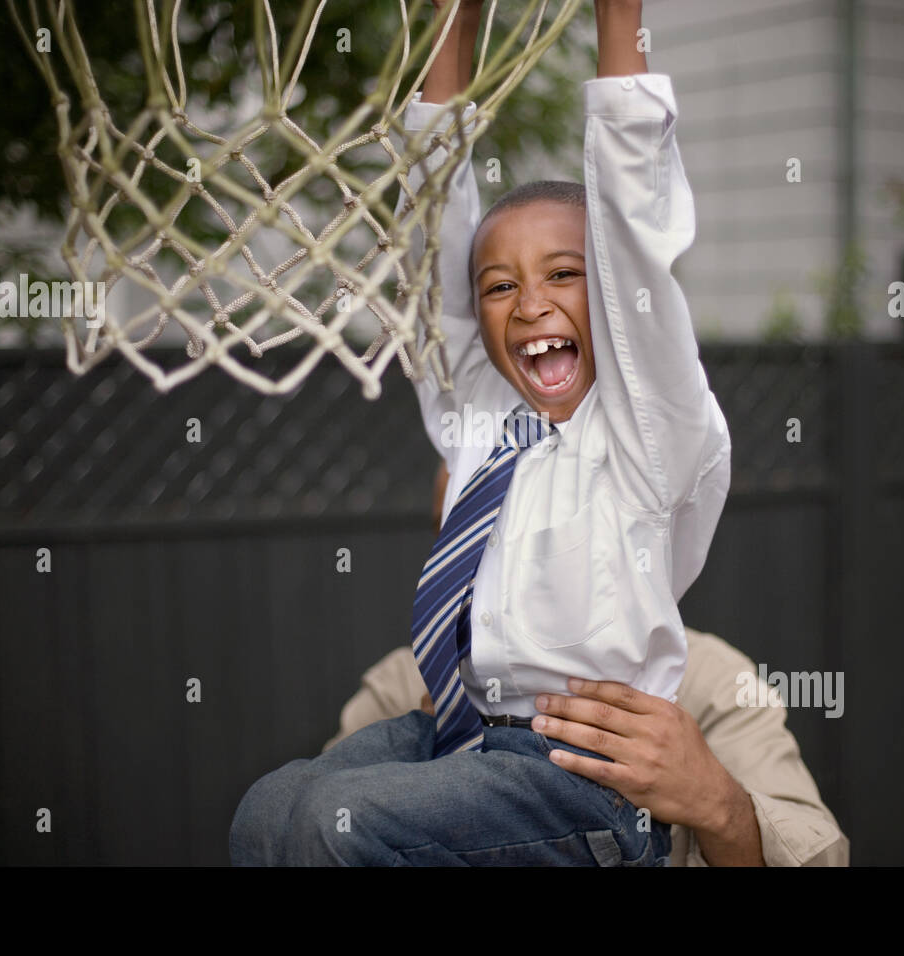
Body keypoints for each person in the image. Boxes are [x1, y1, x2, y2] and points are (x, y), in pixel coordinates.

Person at [231, 0, 738, 865]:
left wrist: (621, 24)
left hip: (584, 783)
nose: (530, 302)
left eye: (564, 275)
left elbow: (634, 234)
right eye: (500, 287)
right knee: (267, 810)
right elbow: (433, 232)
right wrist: (452, 26)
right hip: (465, 741)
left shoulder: (649, 431)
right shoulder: (482, 417)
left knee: (328, 827)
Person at [324, 461, 849, 866]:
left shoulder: (711, 681)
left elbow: (821, 855)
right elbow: (316, 836)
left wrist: (715, 800)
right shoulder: (400, 687)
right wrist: (423, 762)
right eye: (465, 536)